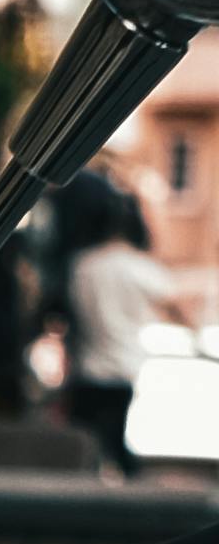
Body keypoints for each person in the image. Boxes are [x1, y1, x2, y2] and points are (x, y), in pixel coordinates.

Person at [59, 168, 172, 469]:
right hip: (123, 367)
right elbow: (174, 301)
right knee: (115, 443)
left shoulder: (80, 266)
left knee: (85, 447)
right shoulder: (140, 270)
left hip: (87, 368)